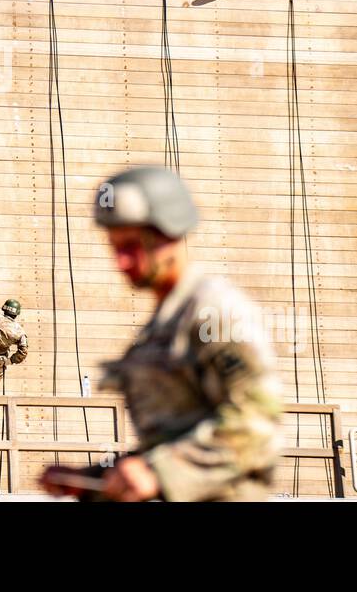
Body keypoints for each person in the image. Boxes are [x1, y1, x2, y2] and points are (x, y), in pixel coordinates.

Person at [39, 167, 280, 502]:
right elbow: (172, 441)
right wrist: (92, 481)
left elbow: (255, 424)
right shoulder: (165, 324)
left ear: (171, 233)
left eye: (133, 245)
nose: (121, 261)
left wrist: (158, 472)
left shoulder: (213, 313)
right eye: (115, 247)